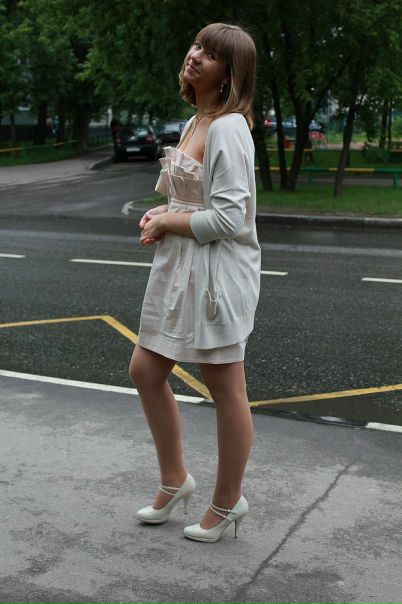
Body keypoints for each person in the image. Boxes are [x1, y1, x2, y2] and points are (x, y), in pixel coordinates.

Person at [129, 22, 261, 543]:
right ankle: (174, 480)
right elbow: (190, 199)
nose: (196, 56)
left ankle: (227, 502)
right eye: (197, 46)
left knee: (227, 388)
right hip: (179, 269)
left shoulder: (229, 128)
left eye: (212, 54)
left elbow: (230, 219)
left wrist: (169, 220)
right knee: (145, 370)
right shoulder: (195, 120)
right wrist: (162, 213)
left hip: (215, 277)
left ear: (230, 73)